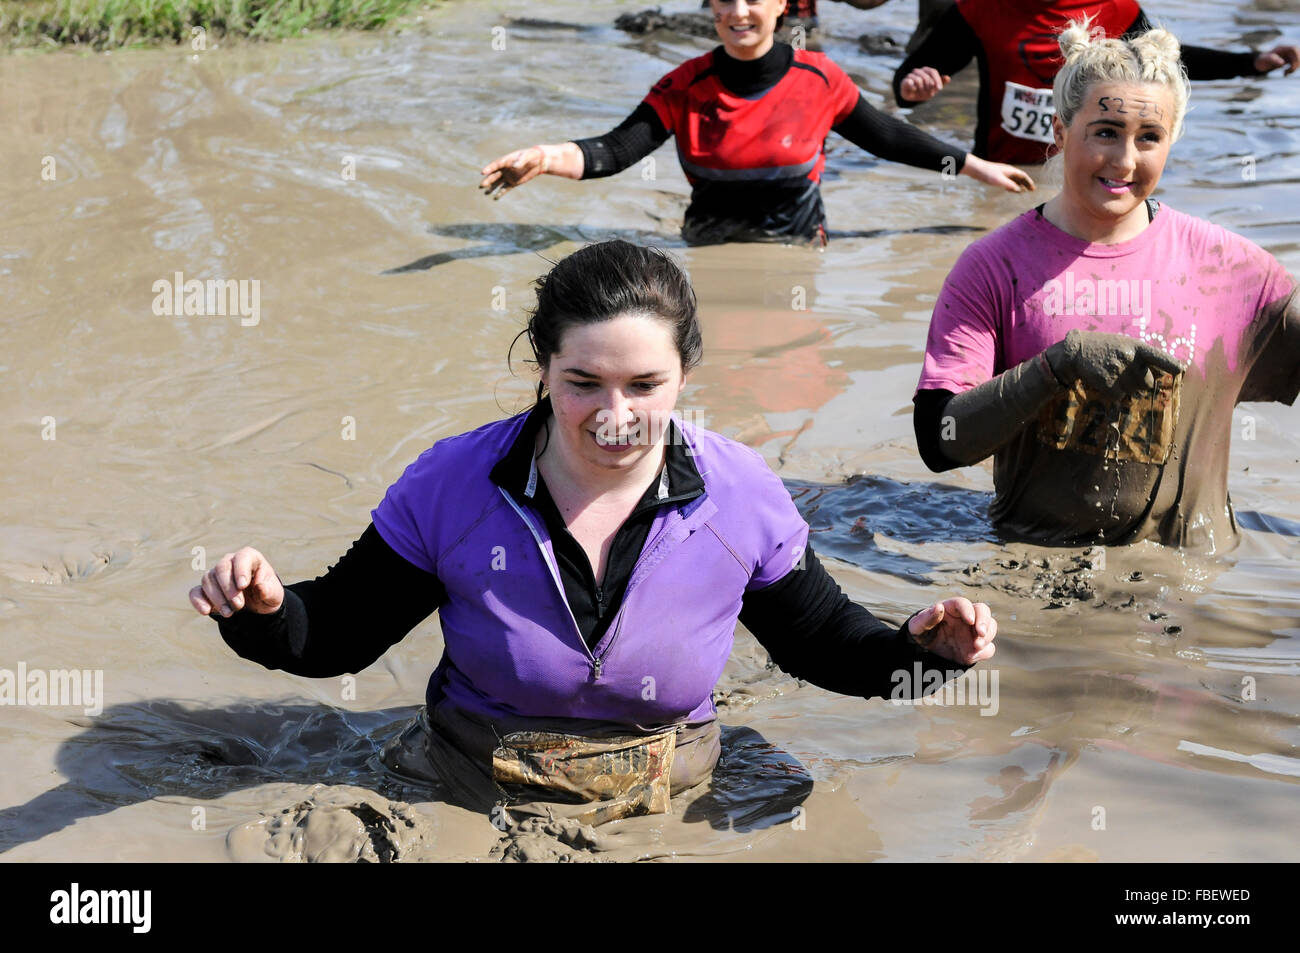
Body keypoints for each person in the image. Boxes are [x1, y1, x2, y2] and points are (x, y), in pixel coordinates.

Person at [191, 241, 998, 823]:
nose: (615, 418)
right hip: (470, 791)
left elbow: (827, 648)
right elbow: (333, 636)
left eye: (645, 385)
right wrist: (260, 609)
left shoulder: (740, 493)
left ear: (686, 374)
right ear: (541, 366)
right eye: (583, 383)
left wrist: (921, 654)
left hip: (675, 802)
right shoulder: (453, 484)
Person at [911, 22, 1299, 552]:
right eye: (1106, 131)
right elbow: (940, 442)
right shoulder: (994, 267)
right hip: (1036, 564)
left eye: (1149, 138)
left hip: (1193, 573)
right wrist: (1053, 368)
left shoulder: (1228, 266)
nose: (1124, 161)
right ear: (1059, 131)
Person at [480, 0, 1034, 247]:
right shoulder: (685, 84)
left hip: (794, 251)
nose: (738, 10)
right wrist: (548, 157)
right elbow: (617, 150)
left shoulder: (819, 80)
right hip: (704, 248)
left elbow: (886, 137)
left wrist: (975, 167)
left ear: (780, 7)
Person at [893, 0, 1300, 165]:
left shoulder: (1115, 9)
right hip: (1005, 172)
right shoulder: (981, 8)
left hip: (1091, 172)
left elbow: (1165, 59)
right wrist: (910, 90)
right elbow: (916, 72)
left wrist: (1250, 63)